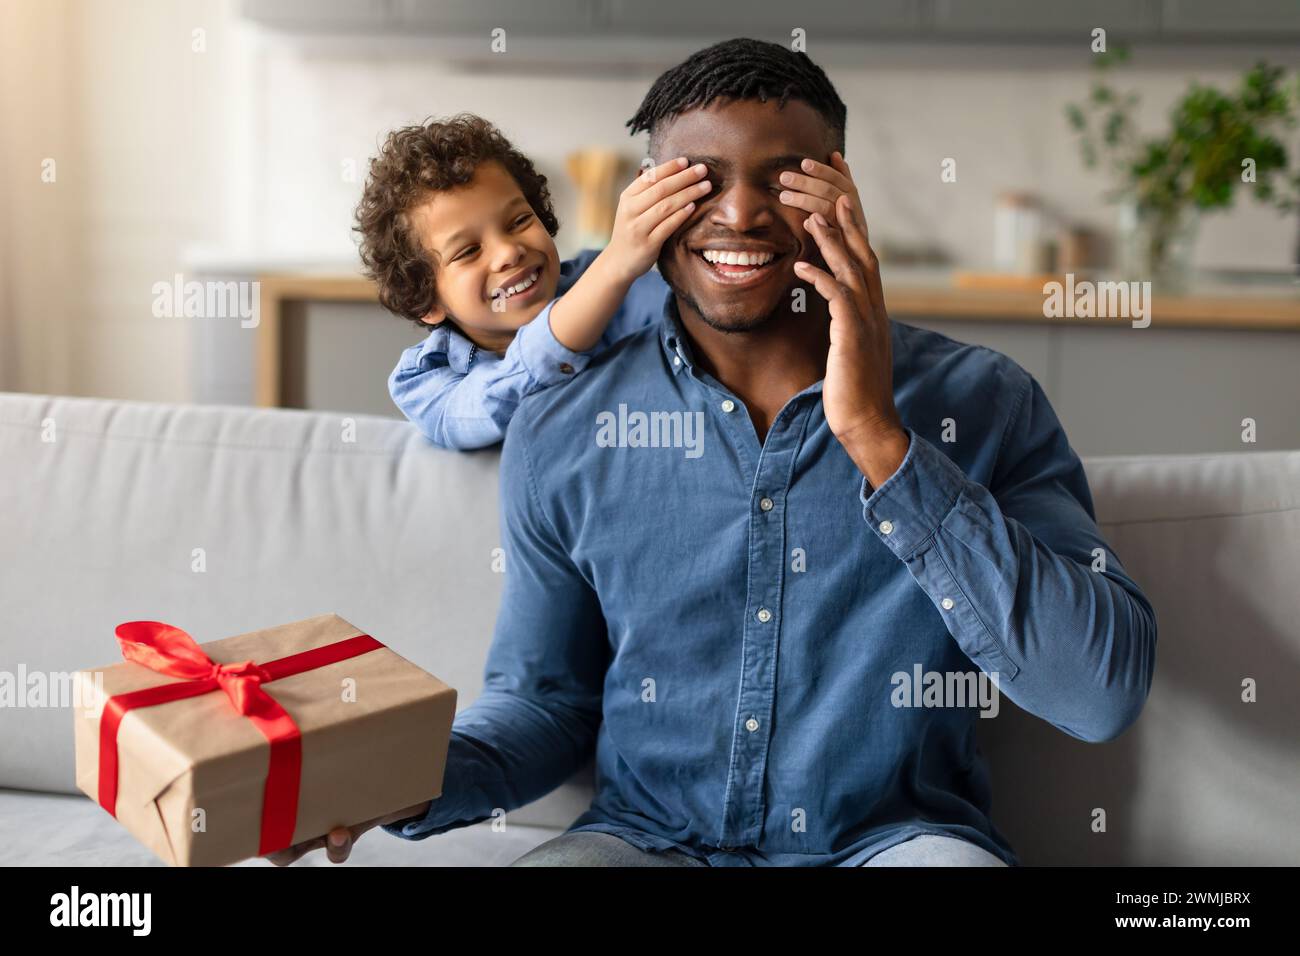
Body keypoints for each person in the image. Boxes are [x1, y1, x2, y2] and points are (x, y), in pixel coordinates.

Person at [272, 37, 1156, 869]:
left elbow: (1099, 690)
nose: (740, 212)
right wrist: (389, 777)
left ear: (841, 192)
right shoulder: (561, 426)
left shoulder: (984, 402)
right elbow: (548, 705)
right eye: (702, 181)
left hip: (892, 843)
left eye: (783, 178)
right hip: (643, 841)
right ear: (648, 203)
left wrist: (882, 443)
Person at [355, 113, 706, 449]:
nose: (508, 251)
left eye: (518, 221)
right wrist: (613, 267)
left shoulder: (605, 278)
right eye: (468, 251)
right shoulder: (423, 379)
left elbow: (699, 322)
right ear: (427, 300)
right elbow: (482, 412)